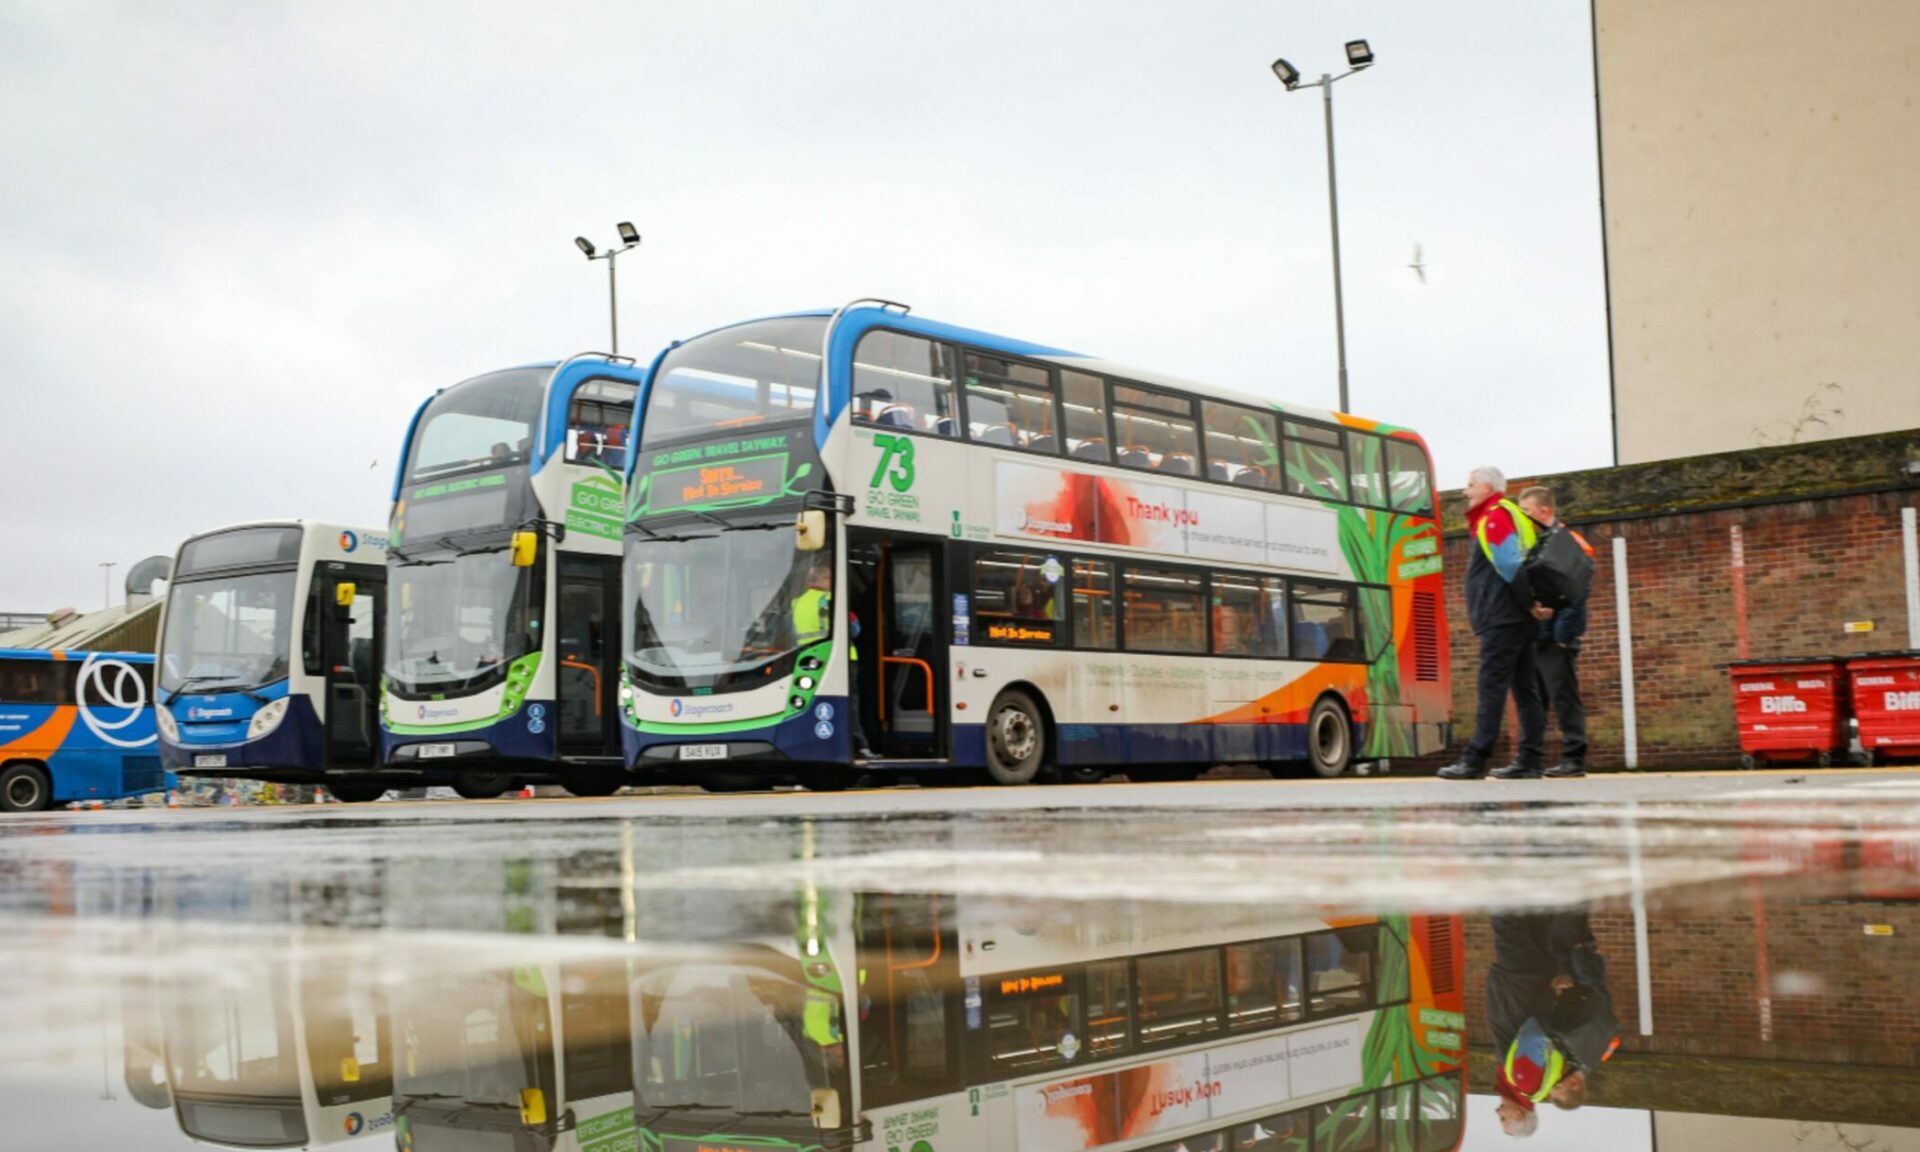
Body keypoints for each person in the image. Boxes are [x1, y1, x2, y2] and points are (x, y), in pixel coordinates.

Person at [1440, 466, 1550, 780]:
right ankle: (1530, 760)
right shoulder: (1512, 514)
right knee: (1525, 689)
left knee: (1492, 687)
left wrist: (1529, 604)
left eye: (1470, 484)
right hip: (1515, 616)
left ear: (1487, 488)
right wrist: (1531, 606)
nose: (1465, 491)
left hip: (1503, 617)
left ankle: (1475, 759)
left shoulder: (1495, 517)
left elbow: (1510, 565)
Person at [1517, 487, 1594, 778]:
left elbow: (1577, 592)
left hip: (1557, 636)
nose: (1522, 518)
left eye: (1526, 512)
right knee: (1537, 699)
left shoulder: (1568, 541)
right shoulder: (1542, 541)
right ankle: (1530, 759)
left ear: (1544, 511)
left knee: (1564, 697)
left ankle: (1574, 758)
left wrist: (1563, 637)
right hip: (1542, 634)